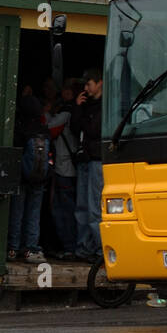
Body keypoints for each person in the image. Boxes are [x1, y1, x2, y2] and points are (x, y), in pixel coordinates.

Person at [7, 94, 48, 263]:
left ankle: (12, 248)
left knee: (17, 212)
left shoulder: (20, 128)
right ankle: (31, 248)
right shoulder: (43, 130)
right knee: (33, 213)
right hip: (39, 178)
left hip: (21, 177)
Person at [46, 78, 82, 260]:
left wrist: (44, 112)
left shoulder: (67, 112)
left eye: (69, 89)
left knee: (63, 210)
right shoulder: (72, 111)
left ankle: (70, 247)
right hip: (67, 167)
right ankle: (70, 246)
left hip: (64, 169)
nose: (65, 92)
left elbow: (49, 129)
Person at [72, 69, 104, 263]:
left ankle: (101, 250)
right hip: (85, 159)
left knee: (94, 208)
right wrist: (77, 108)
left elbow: (94, 130)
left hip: (97, 160)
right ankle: (84, 248)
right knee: (82, 206)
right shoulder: (85, 105)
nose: (85, 88)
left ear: (99, 83)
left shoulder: (105, 105)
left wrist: (82, 116)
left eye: (88, 84)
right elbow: (75, 129)